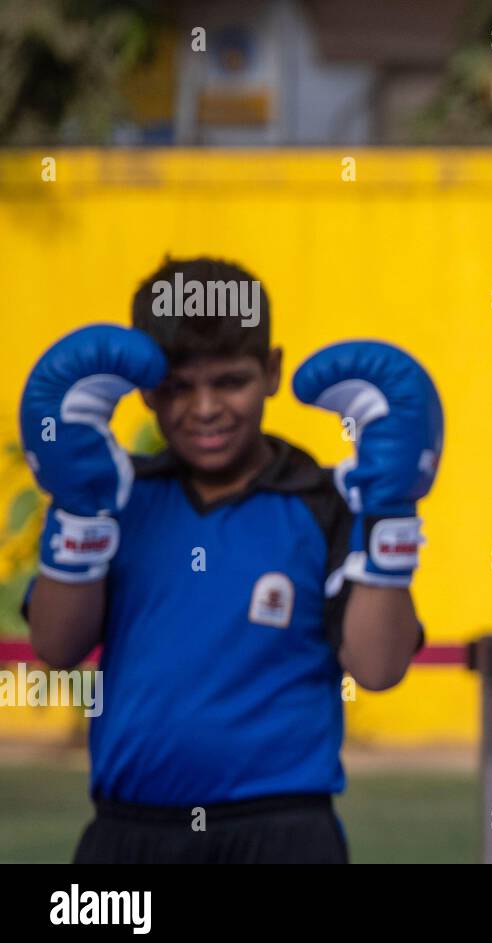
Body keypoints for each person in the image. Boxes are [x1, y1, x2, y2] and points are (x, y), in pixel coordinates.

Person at [21, 257, 443, 863]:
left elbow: (377, 668)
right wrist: (79, 512)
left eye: (229, 381)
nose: (206, 407)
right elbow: (57, 646)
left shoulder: (322, 501)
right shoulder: (114, 496)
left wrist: (392, 517)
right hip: (127, 833)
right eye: (178, 388)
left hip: (282, 830)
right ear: (144, 392)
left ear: (271, 371)